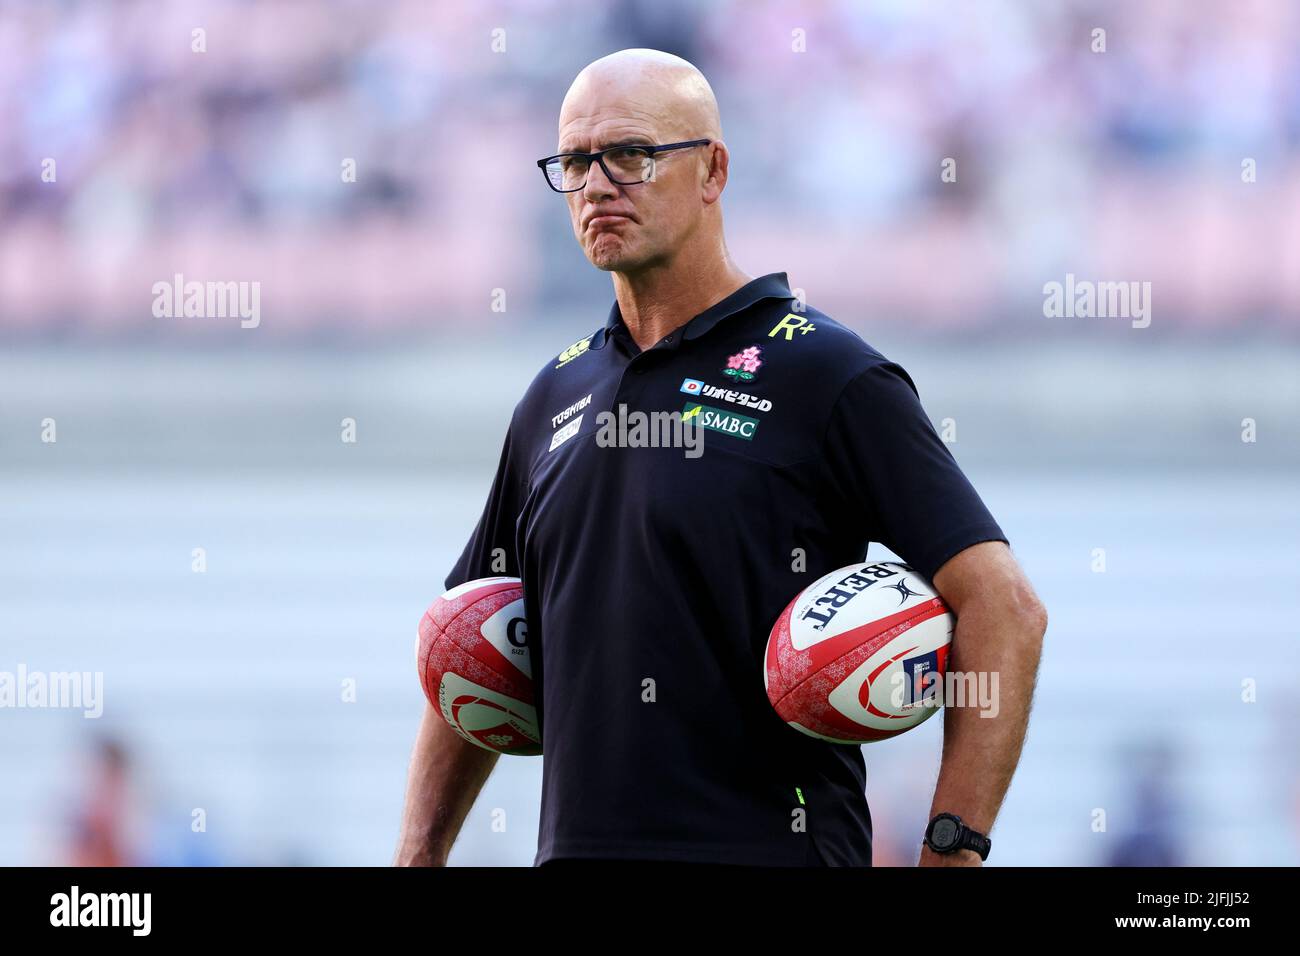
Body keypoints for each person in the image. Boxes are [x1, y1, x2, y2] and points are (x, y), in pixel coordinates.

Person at [396, 48, 1047, 867]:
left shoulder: (827, 375)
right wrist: (417, 856)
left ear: (712, 170)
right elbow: (475, 643)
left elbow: (1005, 610)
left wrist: (951, 850)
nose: (597, 184)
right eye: (573, 162)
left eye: (630, 154)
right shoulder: (551, 397)